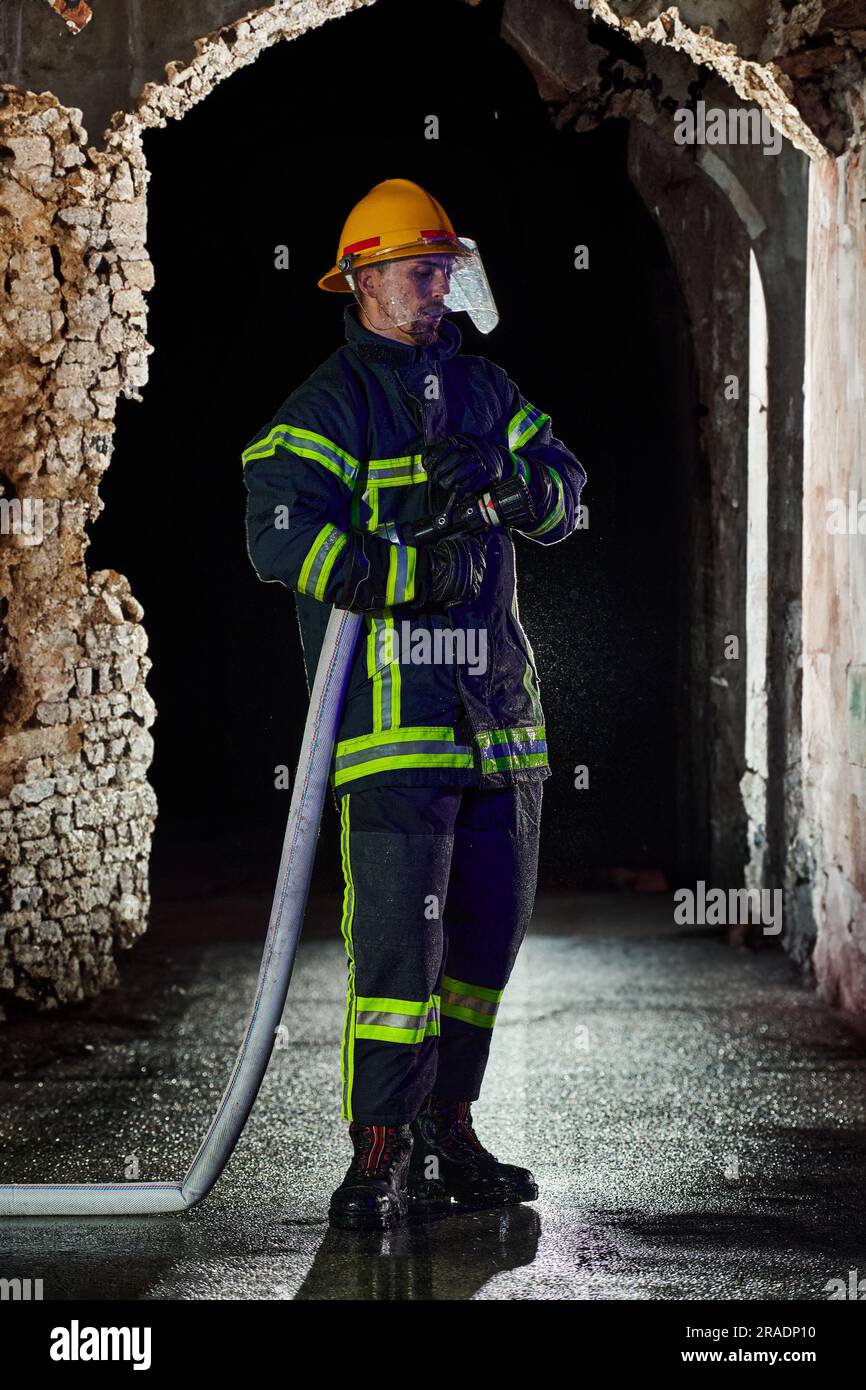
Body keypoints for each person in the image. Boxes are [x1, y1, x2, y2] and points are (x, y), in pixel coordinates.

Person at [242, 178, 586, 1230]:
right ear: (360, 281)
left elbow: (570, 497)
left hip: (499, 723)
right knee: (399, 954)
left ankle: (452, 1127)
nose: (436, 290)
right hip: (392, 730)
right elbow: (279, 534)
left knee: (483, 944)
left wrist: (507, 478)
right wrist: (412, 573)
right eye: (417, 272)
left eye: (443, 270)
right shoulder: (324, 405)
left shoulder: (484, 390)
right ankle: (379, 1148)